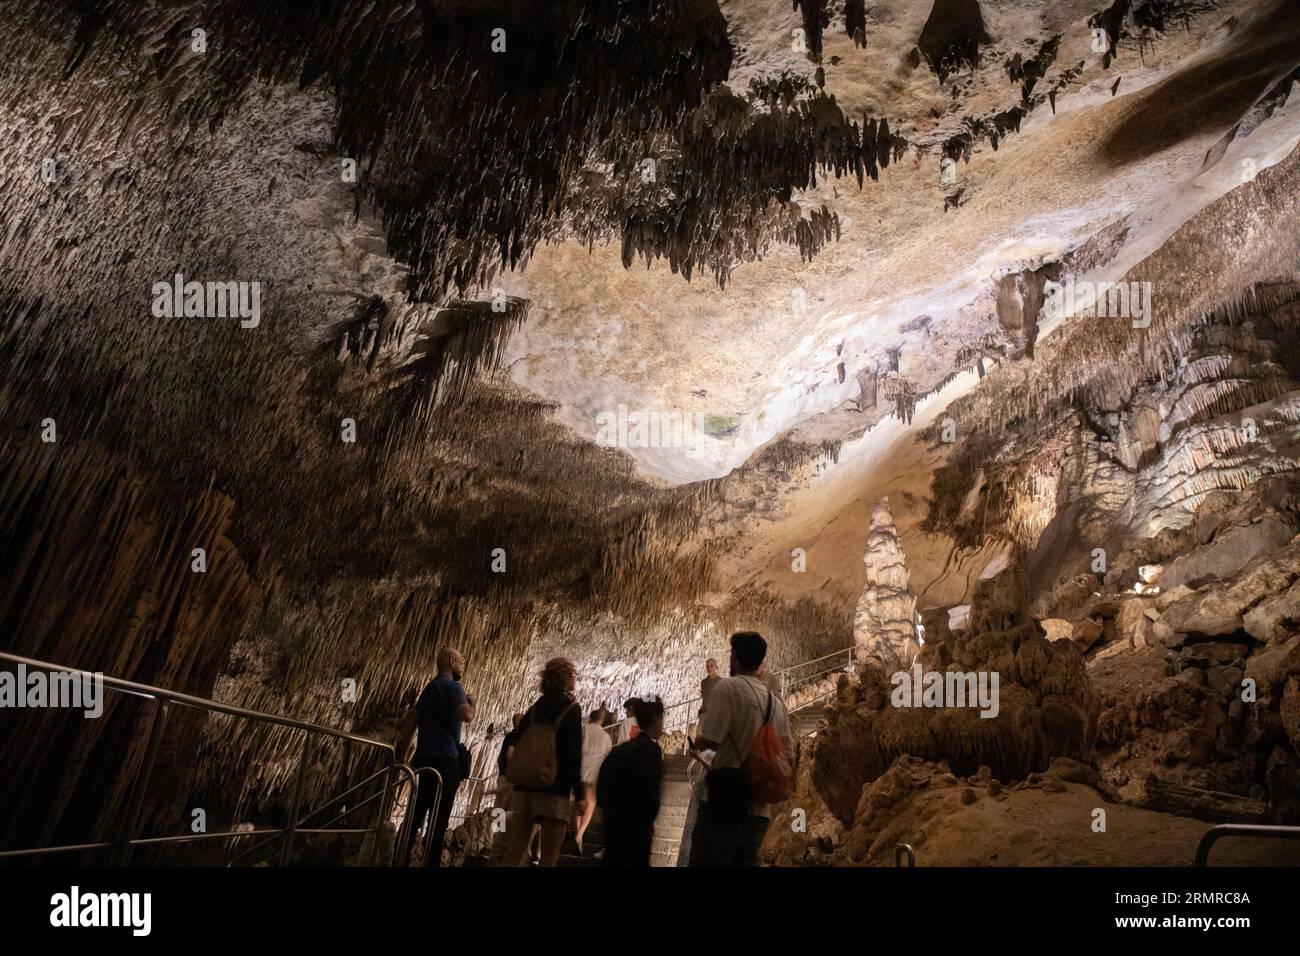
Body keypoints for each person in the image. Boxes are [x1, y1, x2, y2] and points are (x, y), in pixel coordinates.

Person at [688, 631, 792, 867]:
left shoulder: (727, 688)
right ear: (760, 661)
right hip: (759, 812)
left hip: (726, 805)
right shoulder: (774, 703)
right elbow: (788, 754)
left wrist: (698, 745)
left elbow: (711, 739)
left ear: (734, 657)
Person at [497, 657, 584, 867]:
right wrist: (579, 793)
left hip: (525, 785)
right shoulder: (571, 708)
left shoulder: (536, 707)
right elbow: (572, 753)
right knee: (548, 856)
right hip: (554, 787)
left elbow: (517, 740)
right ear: (567, 678)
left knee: (515, 849)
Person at [396, 647, 474, 867]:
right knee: (438, 823)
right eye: (461, 661)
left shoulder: (429, 689)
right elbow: (466, 715)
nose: (463, 665)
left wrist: (401, 757)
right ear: (451, 662)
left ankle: (397, 859)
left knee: (414, 816)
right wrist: (472, 702)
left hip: (423, 760)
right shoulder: (454, 687)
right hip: (446, 760)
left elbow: (412, 723)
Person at [597, 697, 664, 867]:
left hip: (614, 827)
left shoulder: (619, 751)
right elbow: (651, 797)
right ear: (656, 719)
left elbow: (603, 789)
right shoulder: (652, 752)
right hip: (636, 830)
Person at [576, 707, 612, 854]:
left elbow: (577, 747)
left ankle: (577, 830)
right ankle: (580, 834)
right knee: (591, 802)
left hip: (581, 768)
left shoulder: (584, 730)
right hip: (595, 770)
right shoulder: (606, 736)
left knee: (579, 801)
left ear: (590, 718)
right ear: (602, 721)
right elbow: (608, 755)